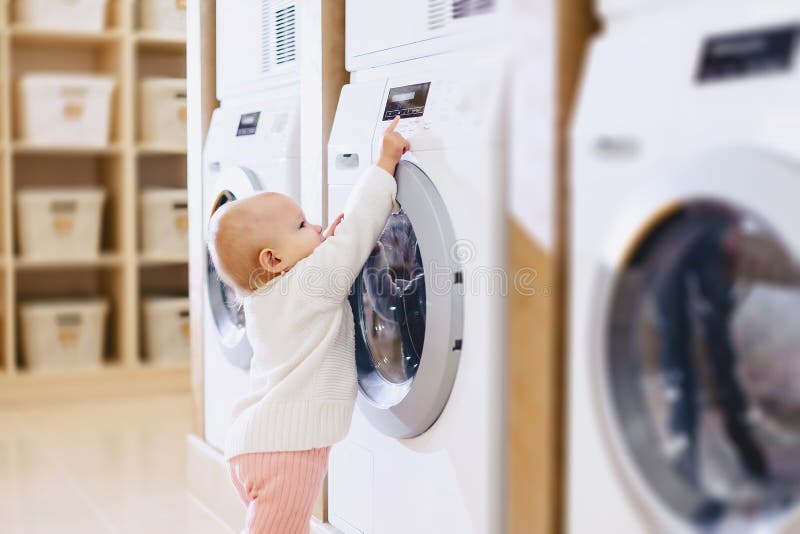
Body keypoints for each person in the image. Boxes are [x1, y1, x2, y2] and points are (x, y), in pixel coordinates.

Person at [207, 116, 409, 533]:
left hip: (258, 444)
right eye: (302, 226)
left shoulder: (265, 296)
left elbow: (330, 260)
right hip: (286, 452)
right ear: (273, 260)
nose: (316, 227)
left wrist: (320, 246)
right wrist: (384, 165)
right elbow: (357, 232)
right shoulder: (311, 283)